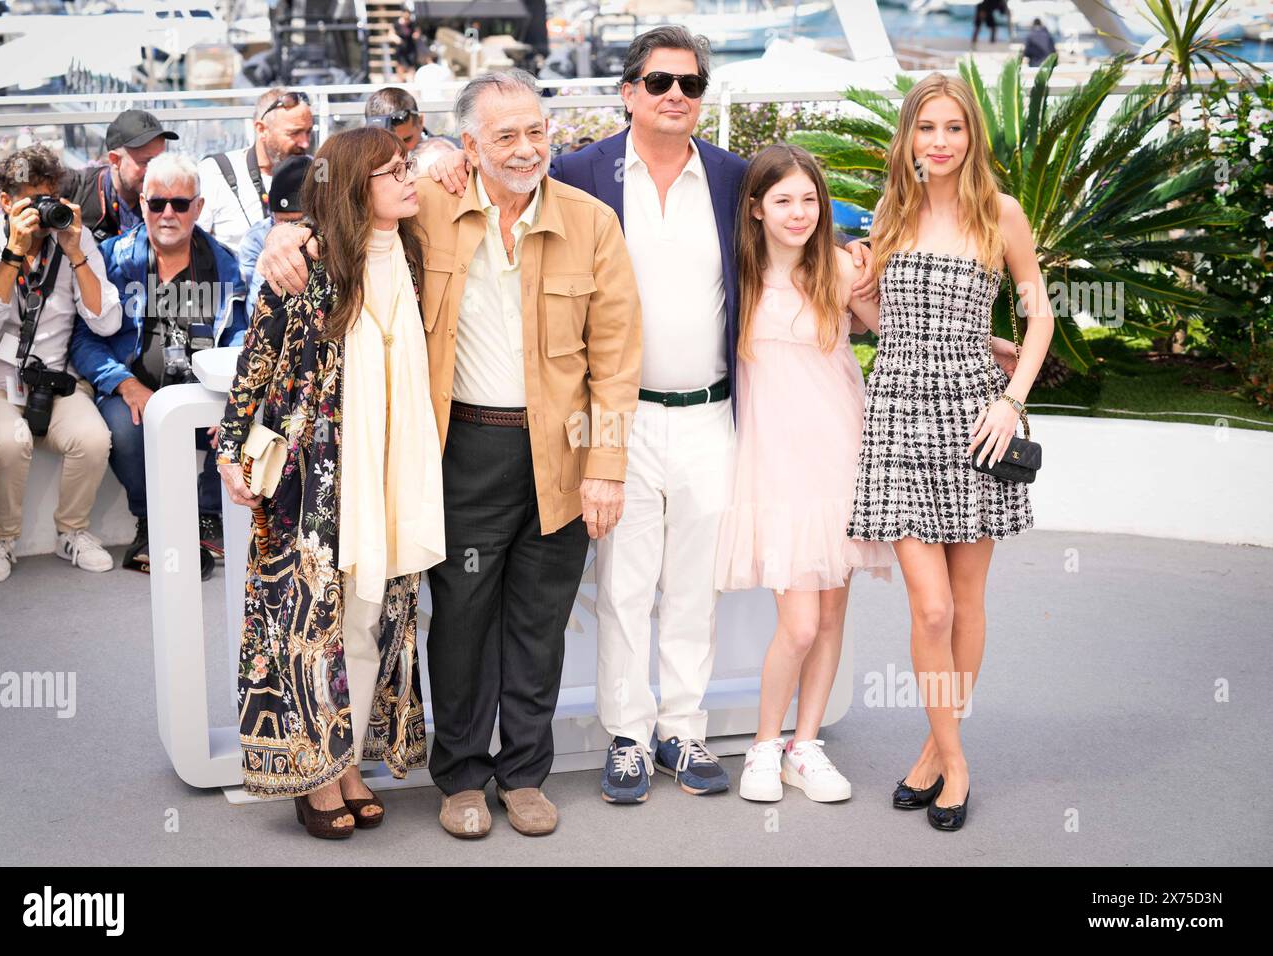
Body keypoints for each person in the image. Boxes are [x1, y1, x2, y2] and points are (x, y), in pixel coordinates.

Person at [431, 25, 875, 805]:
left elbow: (800, 225)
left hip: (711, 415)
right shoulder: (574, 172)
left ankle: (684, 728)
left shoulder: (736, 178)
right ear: (629, 91)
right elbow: (462, 184)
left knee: (693, 587)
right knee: (625, 586)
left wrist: (855, 256)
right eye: (661, 82)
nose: (677, 96)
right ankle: (628, 738)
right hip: (616, 419)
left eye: (692, 85)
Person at [256, 70, 644, 838]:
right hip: (463, 446)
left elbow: (617, 358)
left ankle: (525, 775)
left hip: (561, 452)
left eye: (537, 131)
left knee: (540, 621)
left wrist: (604, 466)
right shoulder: (428, 206)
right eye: (505, 136)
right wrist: (285, 232)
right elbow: (341, 215)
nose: (527, 148)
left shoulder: (593, 222)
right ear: (468, 144)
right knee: (461, 619)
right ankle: (462, 776)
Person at [216, 126, 445, 839]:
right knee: (313, 625)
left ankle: (345, 760)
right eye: (393, 172)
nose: (409, 179)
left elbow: (459, 162)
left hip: (395, 467)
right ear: (354, 188)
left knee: (374, 615)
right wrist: (230, 448)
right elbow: (257, 357)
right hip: (318, 481)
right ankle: (313, 775)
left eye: (409, 168)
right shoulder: (308, 262)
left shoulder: (408, 251)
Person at [845, 72, 1053, 831]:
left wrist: (1012, 398)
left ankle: (935, 752)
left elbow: (1039, 317)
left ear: (972, 138)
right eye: (926, 128)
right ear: (908, 138)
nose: (939, 141)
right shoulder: (890, 212)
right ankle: (957, 760)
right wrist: (851, 288)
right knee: (928, 606)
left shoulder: (1002, 214)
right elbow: (880, 321)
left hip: (976, 416)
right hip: (897, 410)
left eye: (953, 128)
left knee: (966, 602)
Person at [718, 144, 895, 804]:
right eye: (784, 200)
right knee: (796, 622)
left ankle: (806, 745)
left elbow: (899, 337)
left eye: (809, 199)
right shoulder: (735, 273)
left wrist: (989, 345)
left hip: (842, 455)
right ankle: (765, 746)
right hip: (774, 464)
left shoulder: (844, 269)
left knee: (828, 619)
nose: (799, 212)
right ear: (757, 208)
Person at [70, 152, 248, 577]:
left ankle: (207, 518)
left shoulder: (223, 264)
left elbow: (242, 337)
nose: (168, 214)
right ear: (143, 204)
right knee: (128, 431)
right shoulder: (112, 258)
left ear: (198, 208)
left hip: (201, 388)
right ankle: (151, 523)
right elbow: (83, 338)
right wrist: (123, 382)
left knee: (240, 423)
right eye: (156, 203)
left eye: (180, 204)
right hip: (136, 387)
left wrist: (232, 394)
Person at [0, 144, 122, 583]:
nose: (42, 212)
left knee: (94, 439)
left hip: (58, 382)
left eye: (49, 199)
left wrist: (76, 252)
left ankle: (71, 531)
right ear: (4, 201)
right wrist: (13, 253)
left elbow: (108, 320)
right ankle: (3, 539)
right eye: (30, 201)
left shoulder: (74, 237)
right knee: (11, 441)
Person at [197, 88, 312, 252]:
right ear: (261, 129)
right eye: (294, 133)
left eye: (308, 132)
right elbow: (196, 244)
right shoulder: (215, 171)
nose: (305, 143)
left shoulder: (316, 170)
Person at [60, 109, 179, 244]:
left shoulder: (174, 199)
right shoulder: (77, 190)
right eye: (147, 162)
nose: (156, 170)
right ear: (115, 160)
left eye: (161, 160)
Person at [237, 154, 311, 321]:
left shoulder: (330, 234)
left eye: (300, 221)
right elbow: (250, 315)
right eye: (283, 220)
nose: (289, 229)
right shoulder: (255, 239)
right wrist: (265, 264)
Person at [364, 85, 425, 153]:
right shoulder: (360, 157)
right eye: (389, 142)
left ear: (420, 121)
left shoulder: (436, 154)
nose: (400, 151)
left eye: (407, 139)